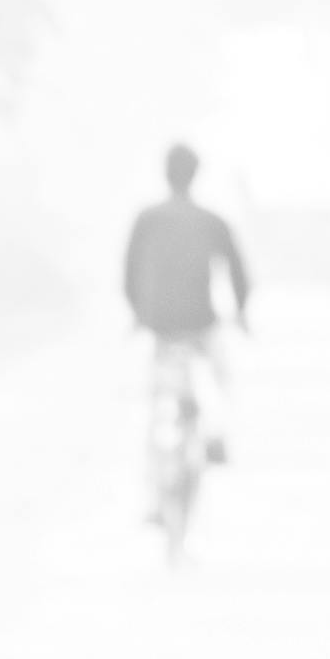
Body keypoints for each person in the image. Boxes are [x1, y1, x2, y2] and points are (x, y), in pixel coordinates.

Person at [121, 144, 253, 519]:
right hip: (200, 325)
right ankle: (216, 436)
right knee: (219, 379)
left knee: (155, 406)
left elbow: (129, 273)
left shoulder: (147, 219)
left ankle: (153, 498)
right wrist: (241, 313)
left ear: (165, 173)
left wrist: (138, 313)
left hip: (160, 328)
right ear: (195, 175)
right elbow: (238, 272)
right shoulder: (212, 221)